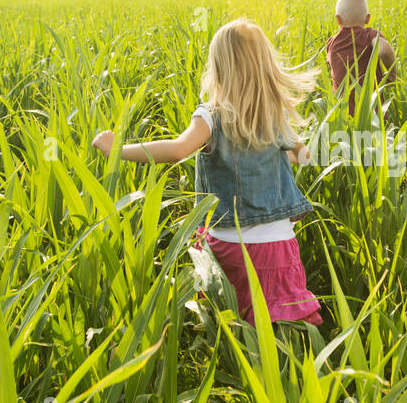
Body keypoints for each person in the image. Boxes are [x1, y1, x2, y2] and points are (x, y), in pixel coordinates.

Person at [93, 18, 322, 326]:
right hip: (276, 244)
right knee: (278, 320)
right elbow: (303, 156)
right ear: (265, 64)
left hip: (228, 242)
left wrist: (117, 148)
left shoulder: (211, 116)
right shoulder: (274, 114)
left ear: (219, 67)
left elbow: (177, 149)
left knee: (230, 322)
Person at [325, 0, 397, 116]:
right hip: (372, 117)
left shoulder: (331, 43)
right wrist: (392, 75)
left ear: (338, 20)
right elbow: (384, 50)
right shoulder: (368, 35)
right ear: (367, 18)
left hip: (341, 118)